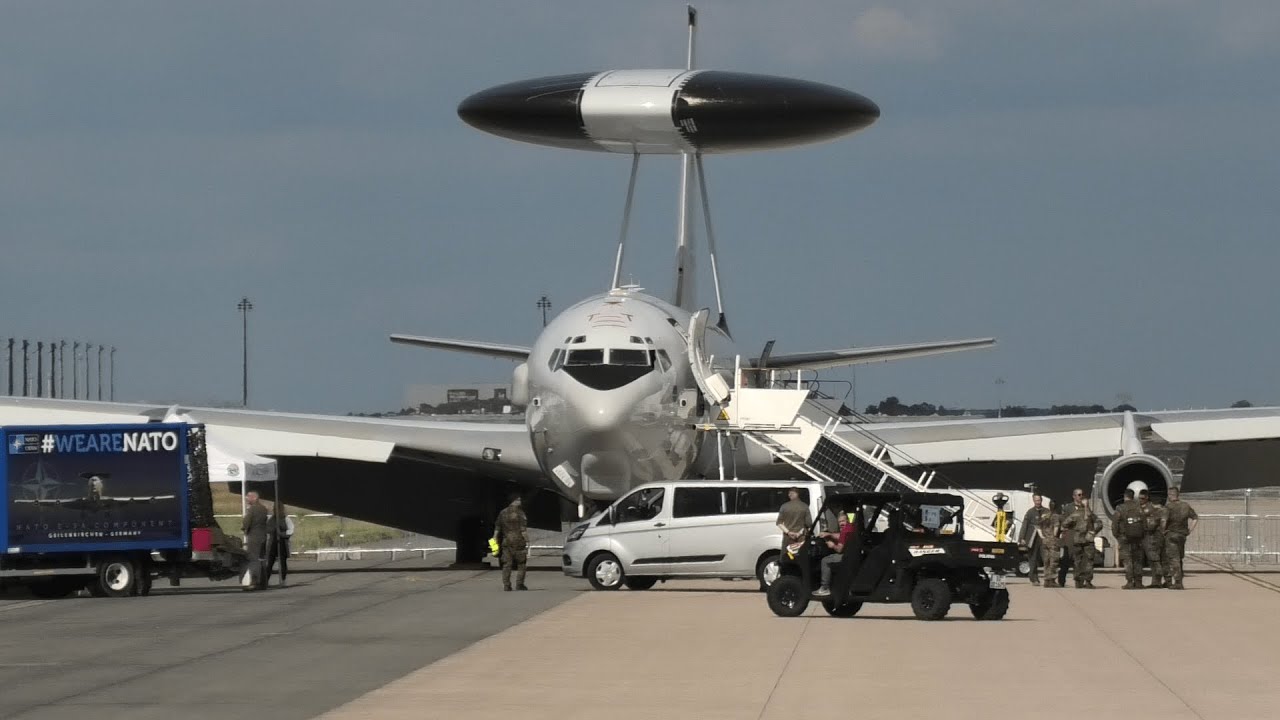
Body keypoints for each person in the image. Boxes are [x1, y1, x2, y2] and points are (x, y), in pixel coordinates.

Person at [1059, 488, 1102, 588]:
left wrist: (1092, 531)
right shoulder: (1069, 508)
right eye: (1078, 495)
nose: (1081, 496)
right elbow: (1064, 522)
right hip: (1072, 537)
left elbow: (1097, 521)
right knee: (1069, 560)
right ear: (1074, 496)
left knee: (1088, 560)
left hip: (1086, 539)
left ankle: (1086, 581)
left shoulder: (1088, 510)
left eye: (1082, 495)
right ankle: (1065, 580)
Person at [813, 511, 856, 597]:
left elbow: (839, 549)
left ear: (847, 520)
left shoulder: (844, 531)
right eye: (839, 522)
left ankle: (825, 587)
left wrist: (832, 545)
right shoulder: (850, 528)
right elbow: (839, 536)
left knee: (825, 560)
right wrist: (829, 534)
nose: (841, 524)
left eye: (843, 521)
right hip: (853, 555)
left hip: (845, 556)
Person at [1163, 486, 1199, 590]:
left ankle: (1177, 582)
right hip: (1182, 535)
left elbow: (1164, 521)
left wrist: (1163, 531)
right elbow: (1195, 518)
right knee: (1179, 558)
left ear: (1170, 495)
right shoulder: (1186, 506)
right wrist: (1189, 530)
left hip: (1171, 534)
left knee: (1174, 559)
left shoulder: (1168, 507)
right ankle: (1179, 580)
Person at [1111, 489, 1146, 589]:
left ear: (1125, 496)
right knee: (1138, 560)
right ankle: (1139, 582)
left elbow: (1115, 524)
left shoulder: (1120, 508)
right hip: (1138, 538)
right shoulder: (1139, 508)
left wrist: (1117, 536)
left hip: (1124, 537)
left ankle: (1130, 582)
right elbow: (1144, 523)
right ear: (1133, 496)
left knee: (1128, 560)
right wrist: (1142, 535)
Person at [494, 493, 529, 591]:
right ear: (514, 501)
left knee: (507, 564)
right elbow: (523, 530)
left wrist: (494, 538)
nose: (520, 501)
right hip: (519, 541)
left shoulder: (502, 512)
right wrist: (528, 540)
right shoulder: (520, 513)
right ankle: (519, 584)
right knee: (521, 564)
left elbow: (497, 527)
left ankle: (506, 585)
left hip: (506, 541)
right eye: (518, 500)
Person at [1137, 490, 1168, 588]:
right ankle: (1164, 580)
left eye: (1142, 498)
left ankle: (1157, 581)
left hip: (1152, 537)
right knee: (1157, 559)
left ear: (1147, 498)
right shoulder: (1161, 509)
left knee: (1154, 559)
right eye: (1139, 498)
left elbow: (1151, 525)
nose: (1140, 500)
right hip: (1152, 537)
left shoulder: (1152, 509)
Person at [1018, 493, 1050, 585]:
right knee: (1033, 559)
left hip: (1044, 538)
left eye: (1039, 500)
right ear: (1033, 501)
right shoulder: (1030, 512)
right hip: (1032, 539)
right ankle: (1034, 579)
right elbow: (1025, 525)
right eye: (1036, 500)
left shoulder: (1046, 512)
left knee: (1046, 558)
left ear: (1041, 500)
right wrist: (1022, 537)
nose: (1037, 502)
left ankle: (1048, 579)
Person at [241, 490, 269, 588]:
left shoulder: (252, 509)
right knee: (262, 559)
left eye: (248, 496)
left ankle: (255, 581)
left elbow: (246, 522)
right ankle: (264, 582)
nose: (246, 498)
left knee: (253, 559)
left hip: (254, 537)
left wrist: (244, 529)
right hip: (263, 536)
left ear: (254, 498)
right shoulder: (264, 508)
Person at [776, 487, 812, 557]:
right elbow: (809, 524)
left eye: (790, 493)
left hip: (788, 538)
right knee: (801, 557)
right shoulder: (805, 506)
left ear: (795, 494)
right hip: (801, 538)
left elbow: (779, 522)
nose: (789, 495)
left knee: (787, 556)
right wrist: (799, 533)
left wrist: (788, 532)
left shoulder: (784, 506)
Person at [266, 499, 295, 586]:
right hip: (273, 543)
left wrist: (282, 533)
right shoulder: (272, 519)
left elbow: (291, 530)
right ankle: (266, 580)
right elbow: (267, 529)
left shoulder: (286, 518)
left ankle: (283, 580)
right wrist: (273, 530)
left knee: (283, 562)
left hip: (282, 543)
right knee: (270, 562)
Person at [1037, 499, 1062, 588]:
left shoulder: (1045, 516)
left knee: (1046, 561)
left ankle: (1046, 579)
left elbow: (1038, 526)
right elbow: (1056, 528)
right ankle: (1052, 580)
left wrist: (1042, 536)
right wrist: (1055, 536)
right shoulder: (1056, 517)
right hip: (1053, 541)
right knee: (1053, 561)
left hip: (1045, 541)